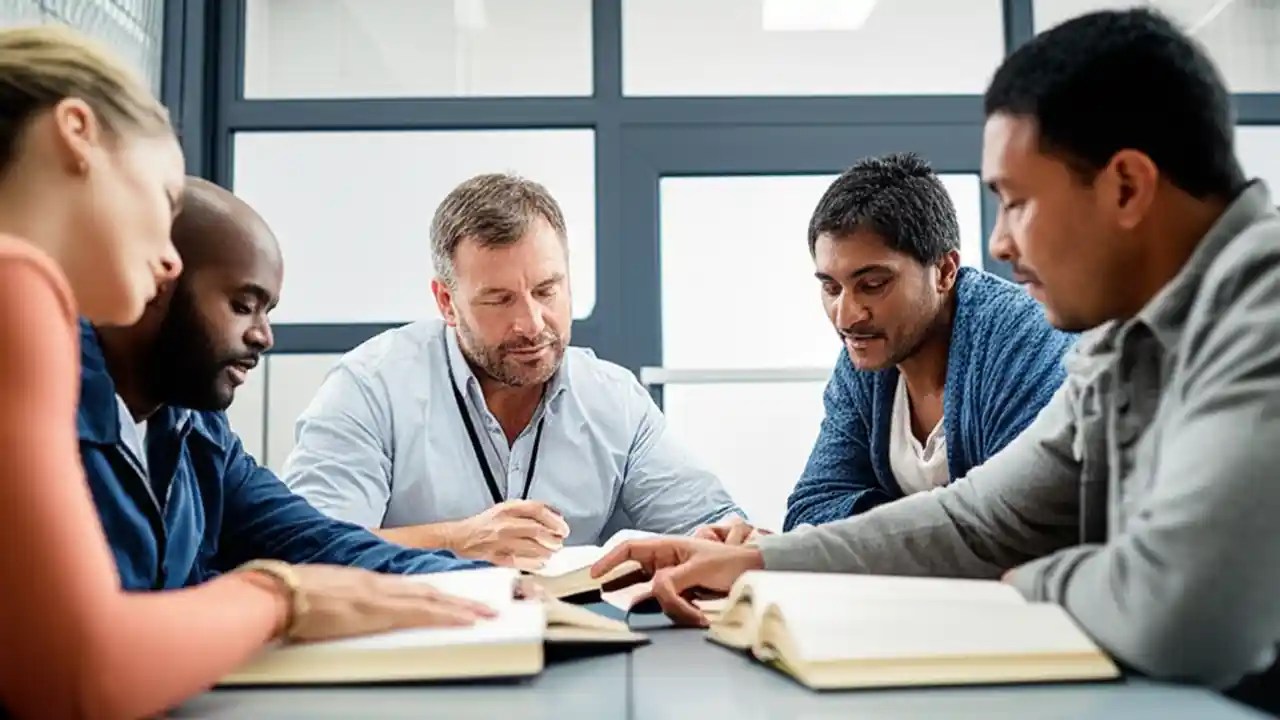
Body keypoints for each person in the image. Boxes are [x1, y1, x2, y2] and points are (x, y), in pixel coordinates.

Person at [590, 8, 1280, 711]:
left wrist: (1035, 584)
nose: (1003, 244)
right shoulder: (1120, 340)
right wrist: (752, 562)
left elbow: (1189, 612)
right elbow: (978, 521)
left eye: (1015, 203)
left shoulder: (1266, 314)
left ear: (1127, 187)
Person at [0, 26, 490, 720]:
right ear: (77, 133)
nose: (167, 261)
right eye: (163, 194)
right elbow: (82, 672)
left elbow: (320, 542)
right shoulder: (16, 287)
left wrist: (533, 585)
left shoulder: (192, 429)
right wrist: (283, 596)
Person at [282, 172, 744, 568]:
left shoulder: (612, 397)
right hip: (415, 644)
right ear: (446, 301)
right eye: (500, 299)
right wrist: (456, 542)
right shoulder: (369, 387)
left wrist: (731, 540)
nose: (532, 324)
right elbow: (303, 549)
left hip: (576, 649)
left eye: (547, 290)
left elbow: (710, 524)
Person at [83, 175, 495, 590]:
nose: (264, 336)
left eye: (267, 312)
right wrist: (281, 607)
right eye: (243, 306)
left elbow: (317, 543)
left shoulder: (200, 432)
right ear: (157, 282)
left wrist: (494, 587)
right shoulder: (51, 423)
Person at [728, 152, 1073, 536]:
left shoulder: (1022, 341)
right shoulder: (866, 358)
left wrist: (861, 535)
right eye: (830, 287)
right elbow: (811, 509)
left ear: (944, 271)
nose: (846, 317)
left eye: (873, 285)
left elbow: (1015, 525)